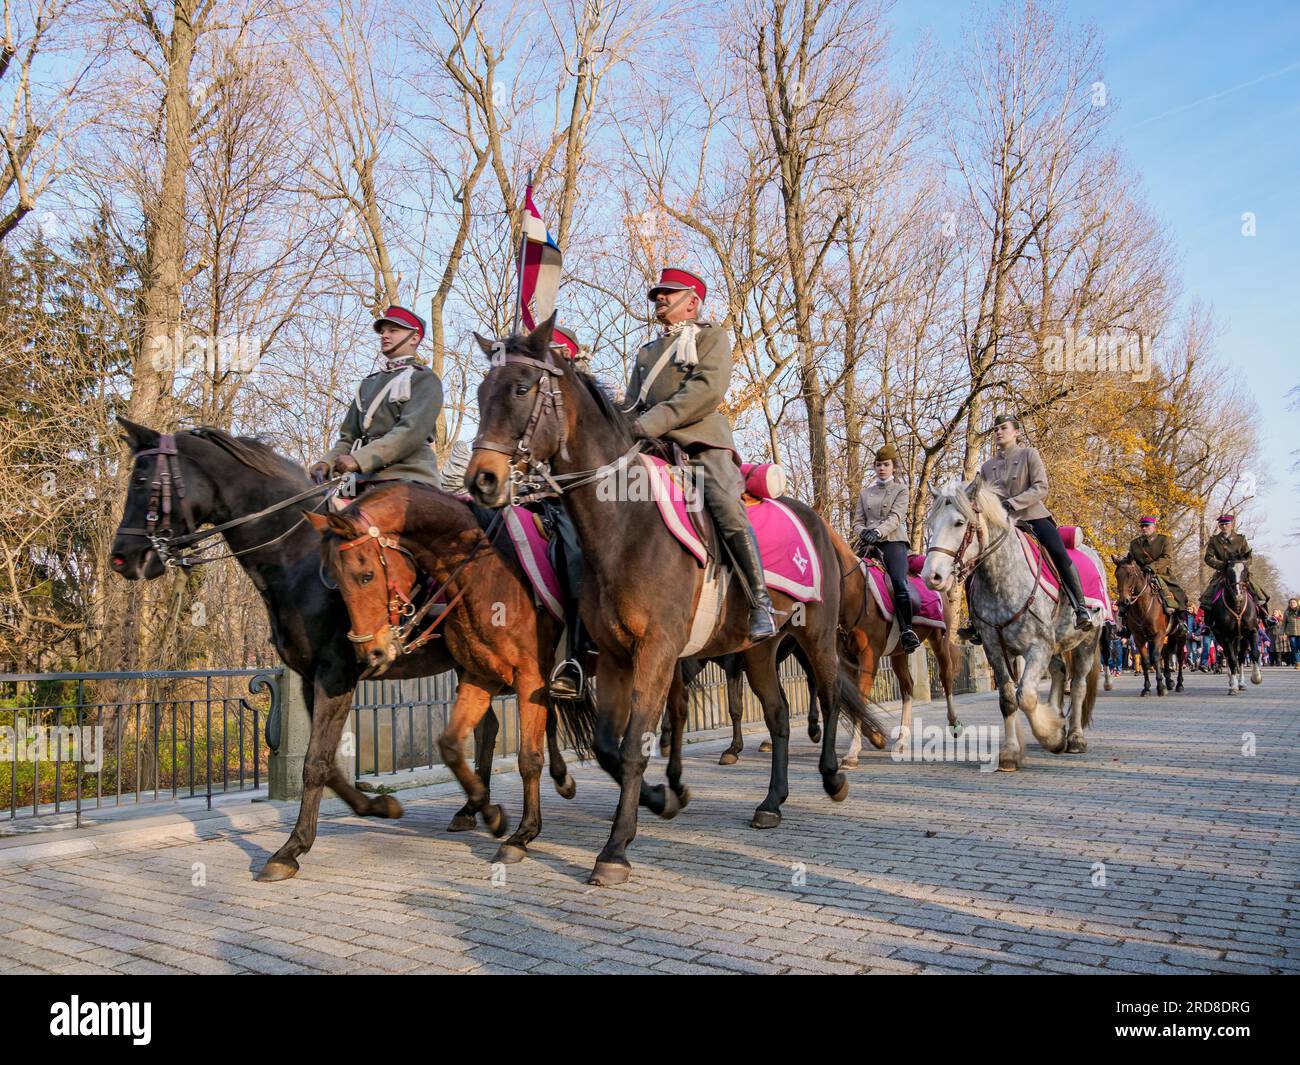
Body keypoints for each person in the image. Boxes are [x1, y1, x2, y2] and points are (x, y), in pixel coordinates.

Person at [623, 267, 775, 640]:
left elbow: (705, 391)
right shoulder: (646, 352)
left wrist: (650, 424)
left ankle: (760, 602)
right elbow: (631, 405)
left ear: (691, 302)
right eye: (658, 294)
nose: (660, 299)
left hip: (699, 442)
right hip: (648, 444)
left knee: (725, 503)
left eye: (668, 293)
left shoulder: (712, 337)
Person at [311, 305, 443, 493]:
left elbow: (410, 433)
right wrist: (327, 461)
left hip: (407, 476)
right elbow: (349, 437)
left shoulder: (424, 379)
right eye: (382, 331)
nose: (385, 335)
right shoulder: (368, 383)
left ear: (414, 338)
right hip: (360, 480)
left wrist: (359, 459)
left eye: (393, 330)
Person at [978, 413, 1093, 629]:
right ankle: (977, 621)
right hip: (1002, 524)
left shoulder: (1029, 454)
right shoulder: (987, 467)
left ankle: (1080, 607)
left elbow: (1041, 487)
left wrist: (1012, 503)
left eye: (1003, 428)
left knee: (1058, 551)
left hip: (1032, 516)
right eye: (995, 429)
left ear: (1017, 432)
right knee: (976, 558)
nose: (998, 432)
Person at [541, 324, 598, 699]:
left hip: (570, 499)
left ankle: (576, 656)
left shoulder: (583, 400)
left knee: (576, 553)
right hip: (529, 495)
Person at [851, 443, 919, 652]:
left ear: (894, 468)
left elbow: (896, 517)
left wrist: (878, 532)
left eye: (886, 465)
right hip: (866, 543)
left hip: (892, 542)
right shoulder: (865, 493)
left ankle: (907, 630)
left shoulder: (900, 490)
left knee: (898, 581)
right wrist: (863, 532)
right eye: (878, 465)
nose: (881, 468)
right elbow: (857, 522)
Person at [1199, 514, 1269, 614]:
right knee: (1207, 597)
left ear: (1231, 525)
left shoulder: (1240, 539)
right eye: (1221, 524)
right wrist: (1223, 565)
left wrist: (1242, 565)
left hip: (1240, 571)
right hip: (1223, 572)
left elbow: (1248, 556)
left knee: (1259, 594)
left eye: (1226, 524)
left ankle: (1266, 617)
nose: (1224, 526)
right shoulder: (1214, 540)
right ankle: (1207, 624)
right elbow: (1208, 558)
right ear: (1219, 526)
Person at [1127, 516, 1189, 624]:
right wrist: (1122, 562)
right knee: (1125, 595)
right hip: (1141, 576)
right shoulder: (1134, 543)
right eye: (1142, 526)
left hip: (1161, 574)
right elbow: (1130, 558)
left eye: (1147, 526)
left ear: (1154, 527)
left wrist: (1152, 567)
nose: (1144, 528)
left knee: (1179, 594)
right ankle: (1125, 626)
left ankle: (1181, 623)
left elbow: (1167, 557)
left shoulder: (1164, 540)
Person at [1285, 599, 1300, 669]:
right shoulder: (1287, 612)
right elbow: (1283, 624)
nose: (1292, 604)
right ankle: (1297, 663)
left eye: (1294, 602)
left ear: (1297, 603)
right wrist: (1282, 633)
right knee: (1294, 648)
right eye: (1290, 602)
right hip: (1291, 633)